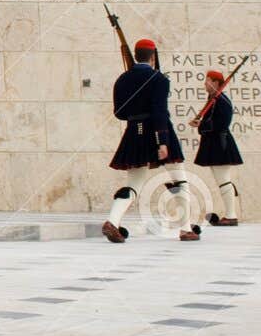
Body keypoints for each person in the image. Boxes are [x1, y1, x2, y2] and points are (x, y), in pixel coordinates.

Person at [103, 36, 198, 243]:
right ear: (153, 56)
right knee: (179, 179)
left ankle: (112, 221)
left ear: (136, 56)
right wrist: (162, 141)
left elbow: (119, 112)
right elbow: (159, 111)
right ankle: (185, 228)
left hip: (133, 132)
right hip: (157, 131)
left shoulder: (123, 79)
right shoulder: (159, 79)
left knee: (133, 183)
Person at [193, 69, 243, 227]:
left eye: (207, 80)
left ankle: (231, 215)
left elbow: (222, 124)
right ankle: (230, 214)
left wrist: (201, 125)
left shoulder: (222, 100)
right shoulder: (213, 99)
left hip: (221, 144)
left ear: (215, 82)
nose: (205, 84)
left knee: (224, 181)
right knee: (222, 181)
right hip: (215, 143)